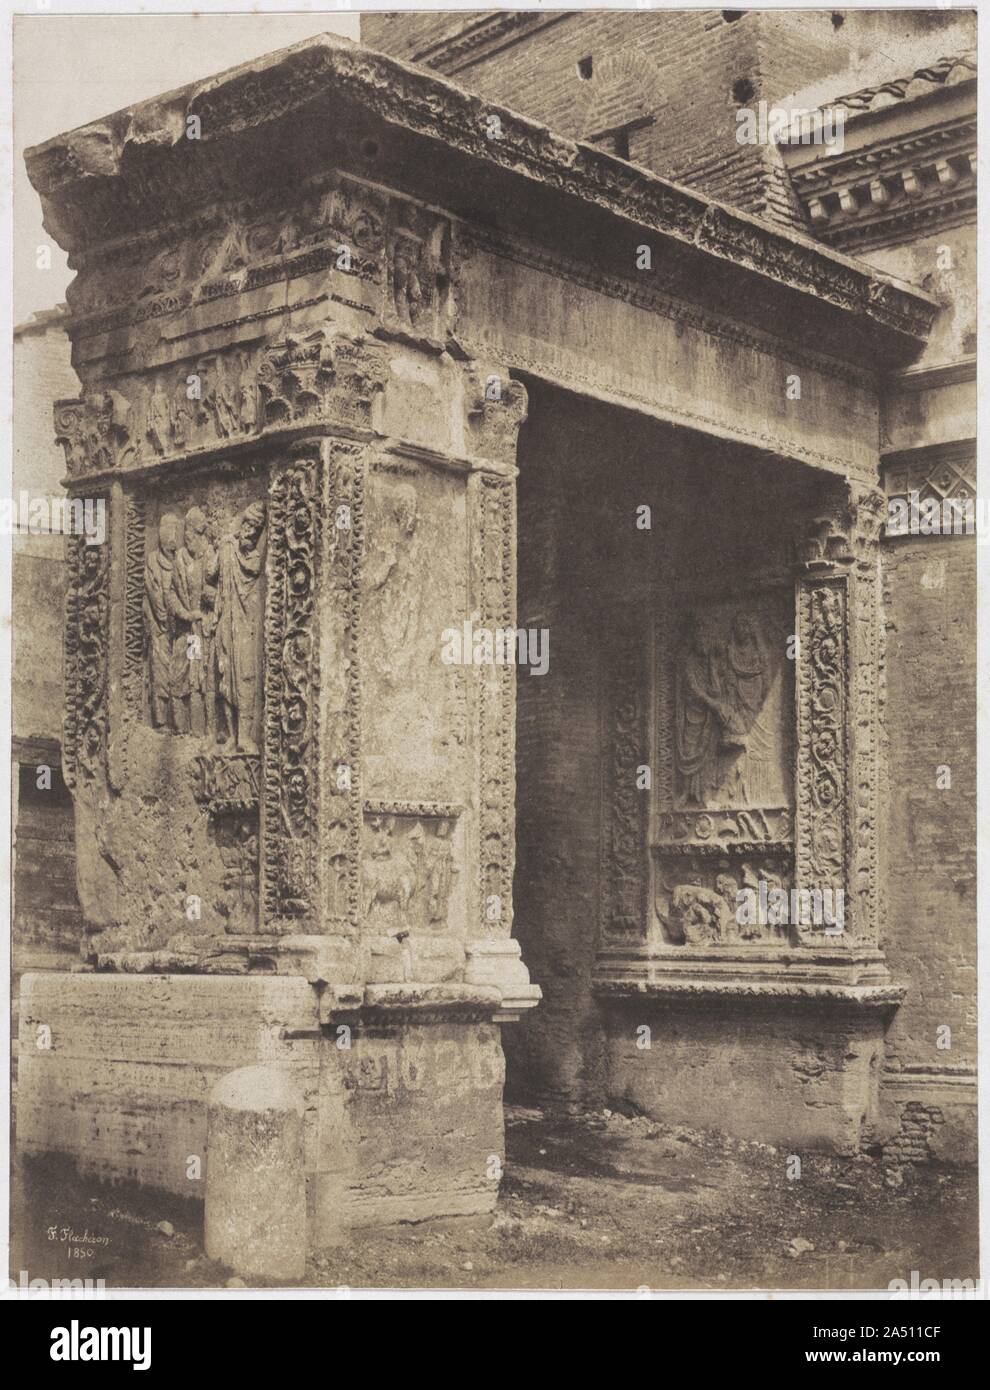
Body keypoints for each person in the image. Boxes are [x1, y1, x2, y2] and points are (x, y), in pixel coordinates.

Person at [215, 501, 266, 754]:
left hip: (246, 626)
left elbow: (253, 568)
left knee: (245, 676)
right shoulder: (227, 547)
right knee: (225, 677)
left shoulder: (254, 558)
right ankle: (232, 736)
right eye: (248, 525)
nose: (250, 531)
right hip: (226, 620)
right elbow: (211, 574)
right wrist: (222, 546)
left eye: (256, 529)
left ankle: (245, 736)